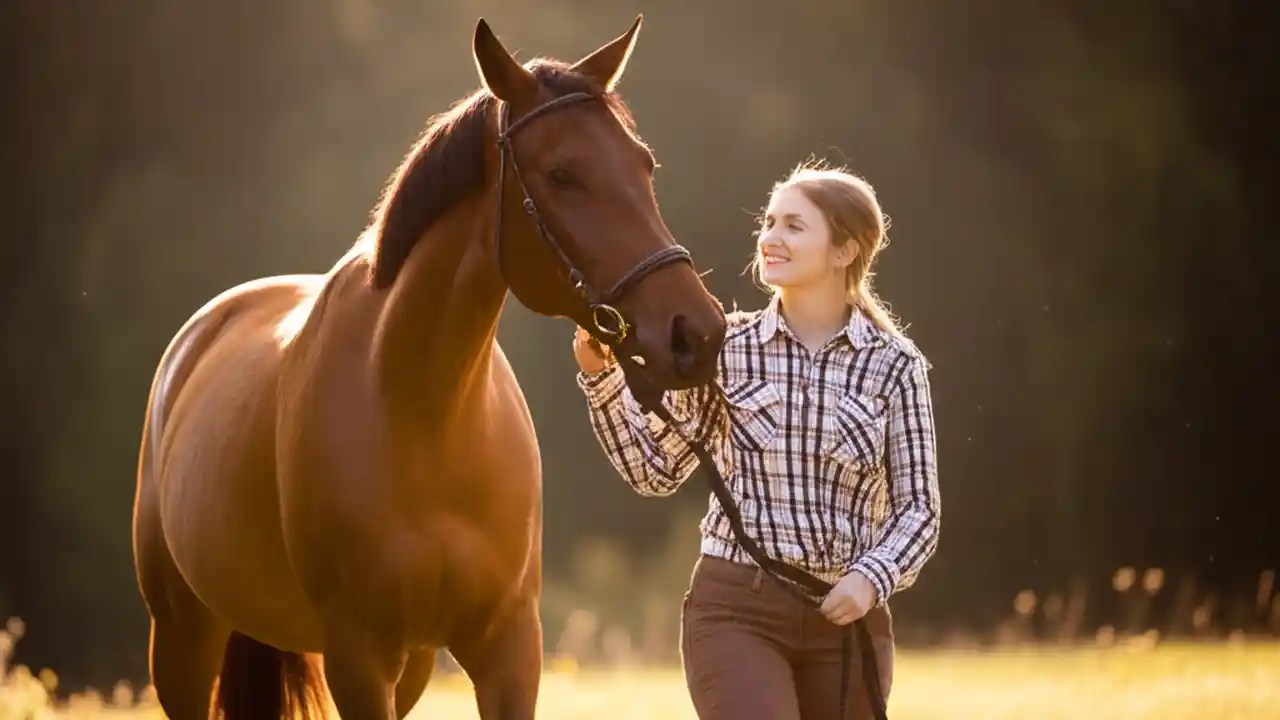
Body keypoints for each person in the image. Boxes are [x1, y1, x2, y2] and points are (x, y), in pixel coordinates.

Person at [572, 160, 940, 720]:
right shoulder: (725, 347)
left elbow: (919, 509)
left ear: (845, 251)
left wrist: (872, 578)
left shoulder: (896, 367)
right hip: (735, 611)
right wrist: (602, 382)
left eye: (794, 226)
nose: (770, 238)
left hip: (847, 617)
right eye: (769, 223)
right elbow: (656, 471)